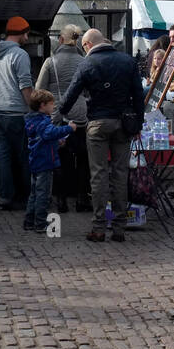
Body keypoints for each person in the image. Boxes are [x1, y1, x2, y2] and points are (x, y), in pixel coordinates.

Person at [59, 28, 144, 242]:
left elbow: (70, 95)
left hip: (97, 123)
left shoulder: (87, 64)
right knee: (120, 174)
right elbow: (138, 95)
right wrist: (138, 125)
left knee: (98, 175)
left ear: (87, 45)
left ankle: (98, 227)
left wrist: (60, 112)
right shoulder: (127, 61)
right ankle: (119, 228)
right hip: (123, 124)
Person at [36, 24, 91, 213]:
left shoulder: (50, 62)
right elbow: (88, 90)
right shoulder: (84, 61)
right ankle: (82, 198)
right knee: (83, 158)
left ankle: (61, 200)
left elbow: (39, 90)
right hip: (81, 116)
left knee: (60, 158)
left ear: (60, 40)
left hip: (57, 116)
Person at [0, 15, 35, 210]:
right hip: (16, 113)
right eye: (27, 33)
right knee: (23, 156)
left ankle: (5, 198)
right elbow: (25, 86)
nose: (28, 37)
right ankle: (27, 198)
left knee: (3, 157)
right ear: (20, 33)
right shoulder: (20, 55)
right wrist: (34, 108)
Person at [24, 90, 75, 232]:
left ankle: (29, 221)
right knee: (43, 194)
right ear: (43, 105)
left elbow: (42, 139)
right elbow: (50, 133)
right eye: (52, 104)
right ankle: (40, 223)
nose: (54, 107)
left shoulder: (32, 120)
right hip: (45, 162)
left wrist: (57, 142)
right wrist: (69, 128)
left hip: (35, 161)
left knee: (34, 193)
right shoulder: (43, 121)